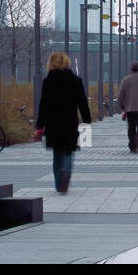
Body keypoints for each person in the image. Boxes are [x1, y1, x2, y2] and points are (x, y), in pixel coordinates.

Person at [35, 51, 91, 193]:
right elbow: (82, 103)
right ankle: (66, 172)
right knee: (68, 152)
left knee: (57, 154)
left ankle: (58, 182)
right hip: (70, 122)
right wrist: (87, 121)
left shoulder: (48, 81)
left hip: (53, 123)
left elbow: (43, 104)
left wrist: (40, 125)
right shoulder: (75, 80)